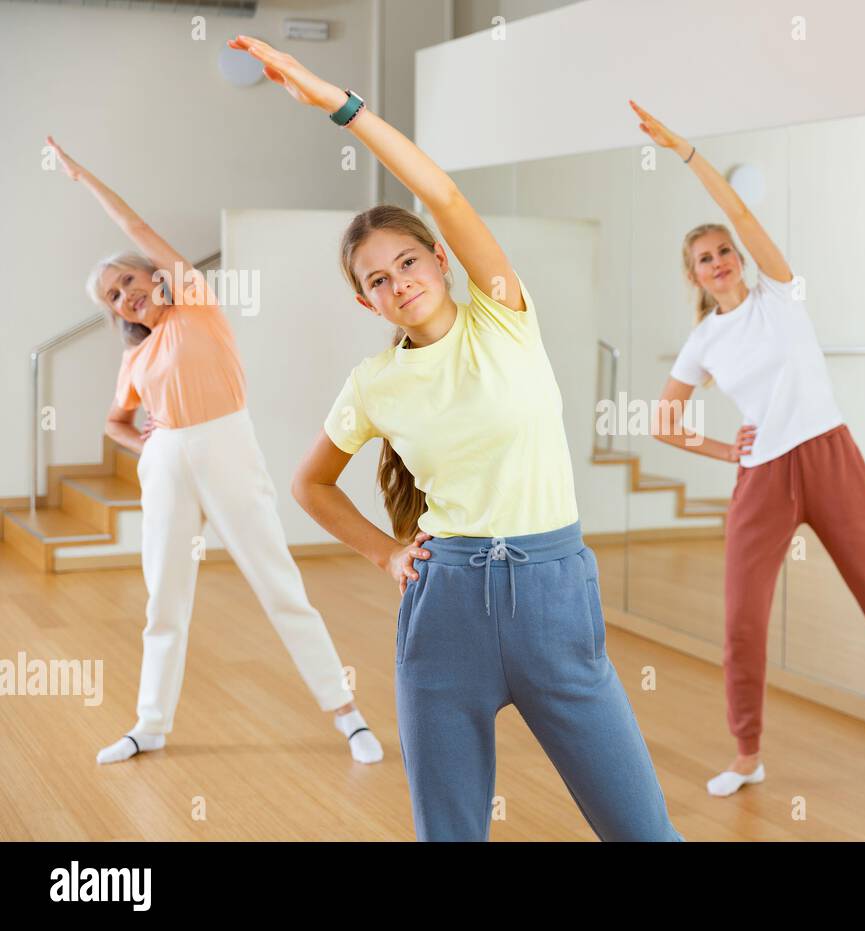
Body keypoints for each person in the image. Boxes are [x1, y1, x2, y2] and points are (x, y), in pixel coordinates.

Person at [229, 36, 683, 840]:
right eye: (378, 279)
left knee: (644, 831)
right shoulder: (374, 383)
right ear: (369, 302)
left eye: (408, 261)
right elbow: (310, 484)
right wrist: (385, 552)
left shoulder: (503, 317)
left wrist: (338, 104)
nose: (399, 280)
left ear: (441, 261)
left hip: (552, 597)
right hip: (446, 611)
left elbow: (439, 190)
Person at [634, 101, 865, 801]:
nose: (717, 262)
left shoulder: (781, 295)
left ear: (739, 258)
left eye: (722, 251)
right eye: (703, 260)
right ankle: (747, 753)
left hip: (831, 459)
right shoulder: (704, 340)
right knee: (741, 622)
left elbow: (739, 212)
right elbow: (663, 422)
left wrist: (685, 152)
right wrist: (727, 451)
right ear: (695, 276)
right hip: (764, 476)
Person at [46, 136, 380, 767]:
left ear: (153, 274)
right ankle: (151, 724)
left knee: (276, 580)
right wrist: (146, 444)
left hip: (227, 442)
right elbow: (115, 422)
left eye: (127, 281)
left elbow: (135, 224)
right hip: (167, 458)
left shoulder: (195, 302)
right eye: (112, 298)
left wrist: (84, 176)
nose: (125, 297)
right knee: (164, 598)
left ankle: (348, 715)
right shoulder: (136, 354)